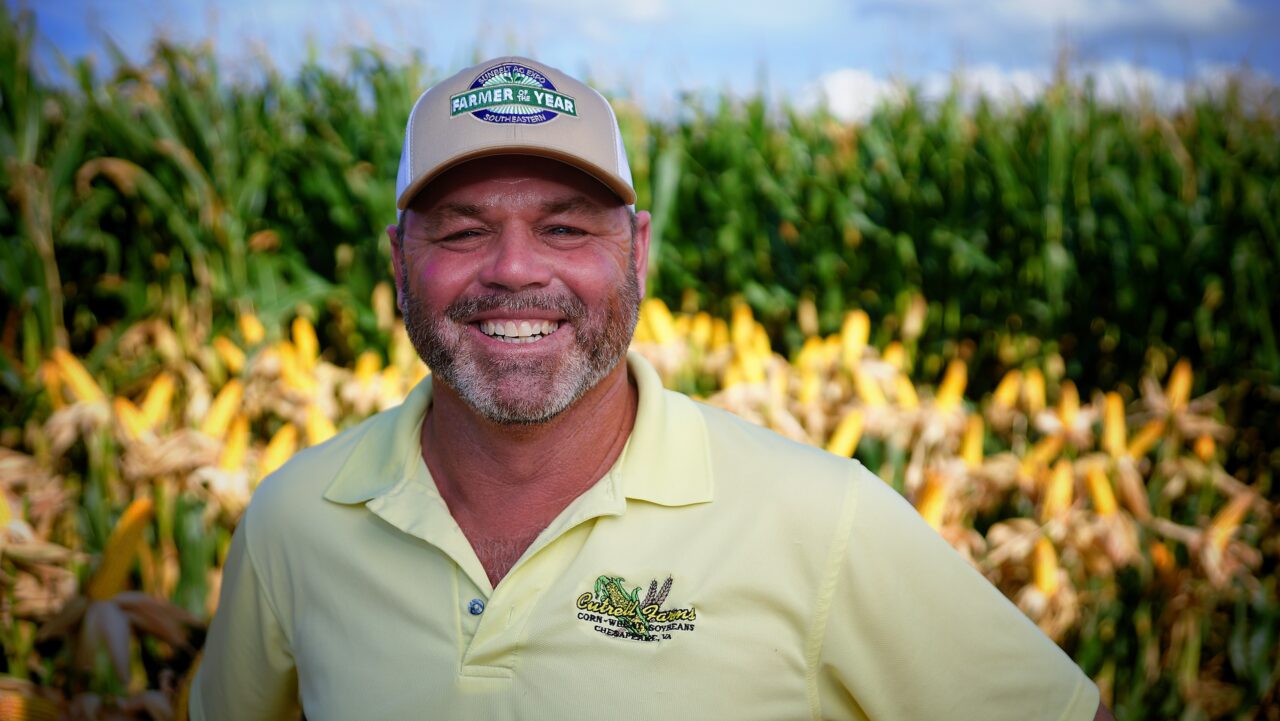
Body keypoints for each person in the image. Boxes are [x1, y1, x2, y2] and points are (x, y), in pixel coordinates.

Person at [190, 56, 1115, 721]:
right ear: (399, 262)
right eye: (463, 230)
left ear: (637, 251)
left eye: (564, 229)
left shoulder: (819, 518)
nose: (514, 270)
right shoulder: (295, 523)